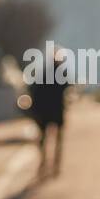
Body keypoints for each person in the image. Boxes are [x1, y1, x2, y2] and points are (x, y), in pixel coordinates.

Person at [29, 46, 69, 178]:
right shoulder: (61, 73)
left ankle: (44, 162)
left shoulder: (43, 72)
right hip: (56, 110)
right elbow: (67, 88)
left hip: (44, 111)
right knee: (57, 138)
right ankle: (55, 165)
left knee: (44, 138)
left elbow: (34, 90)